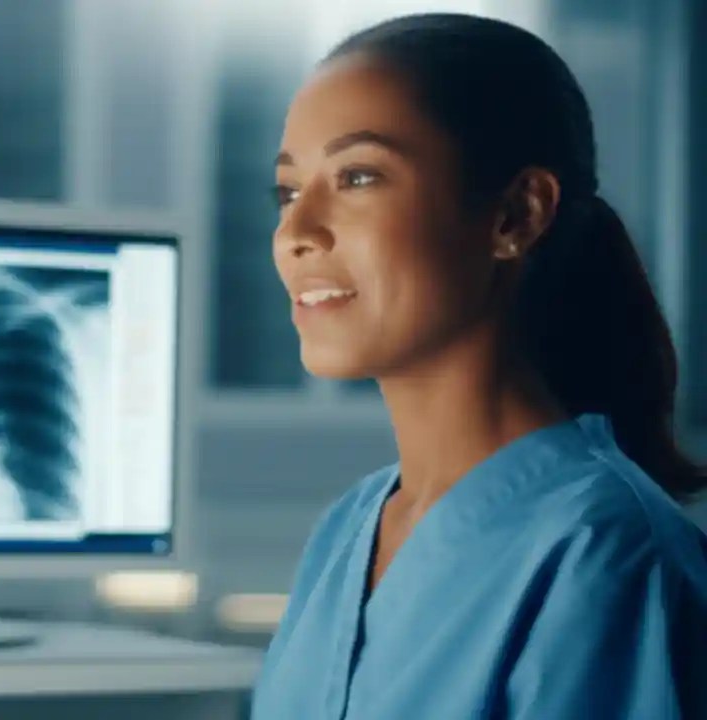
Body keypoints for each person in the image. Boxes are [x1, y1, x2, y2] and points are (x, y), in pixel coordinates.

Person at [252, 12, 707, 719]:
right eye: (287, 191)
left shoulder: (606, 555)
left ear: (515, 216)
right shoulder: (346, 531)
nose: (296, 232)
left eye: (359, 176)